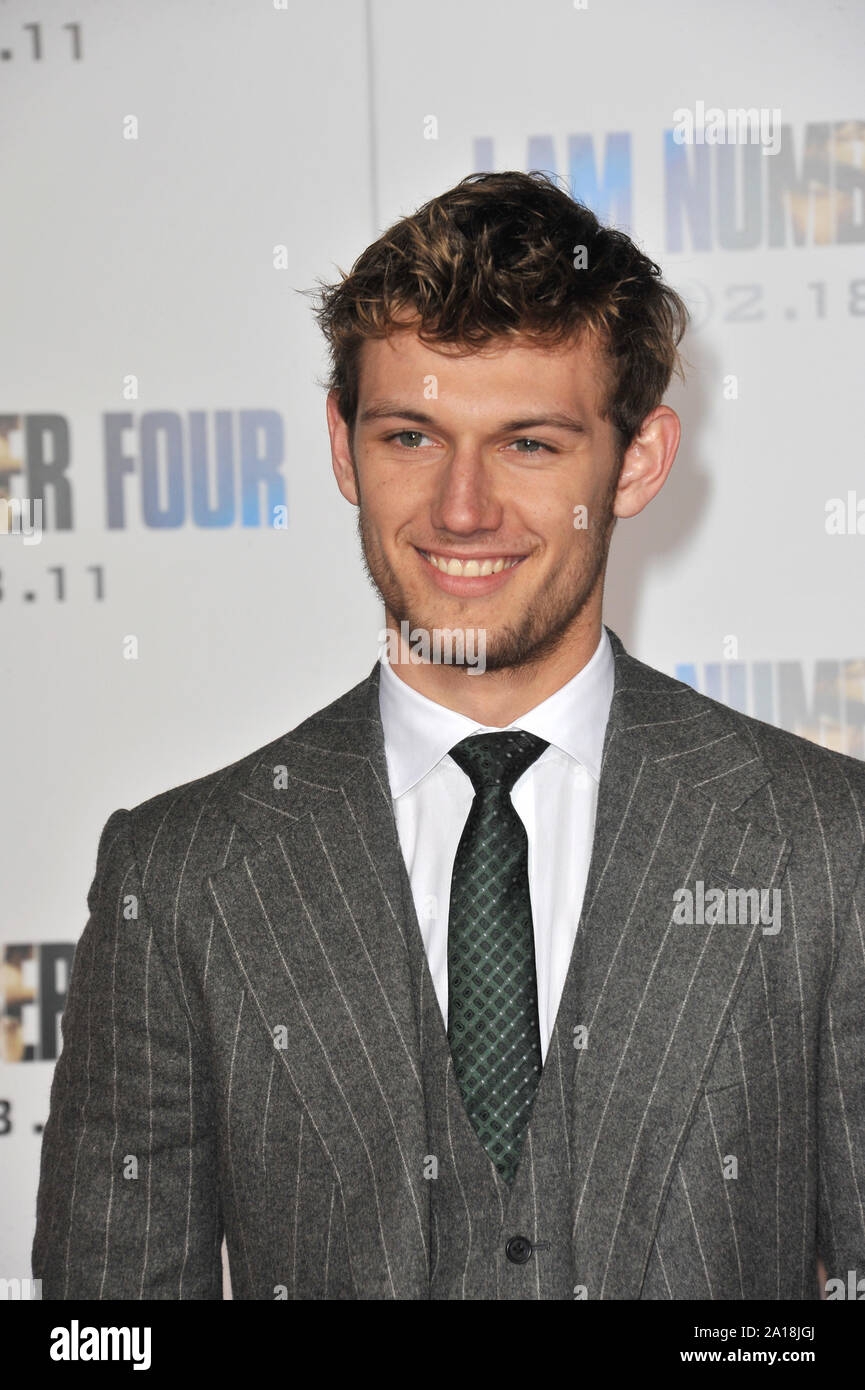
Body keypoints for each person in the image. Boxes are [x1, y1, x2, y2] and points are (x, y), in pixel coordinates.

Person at [32, 171, 865, 1300]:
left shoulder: (824, 845)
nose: (462, 508)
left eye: (528, 443)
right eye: (412, 435)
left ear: (638, 460)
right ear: (342, 446)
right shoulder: (182, 878)